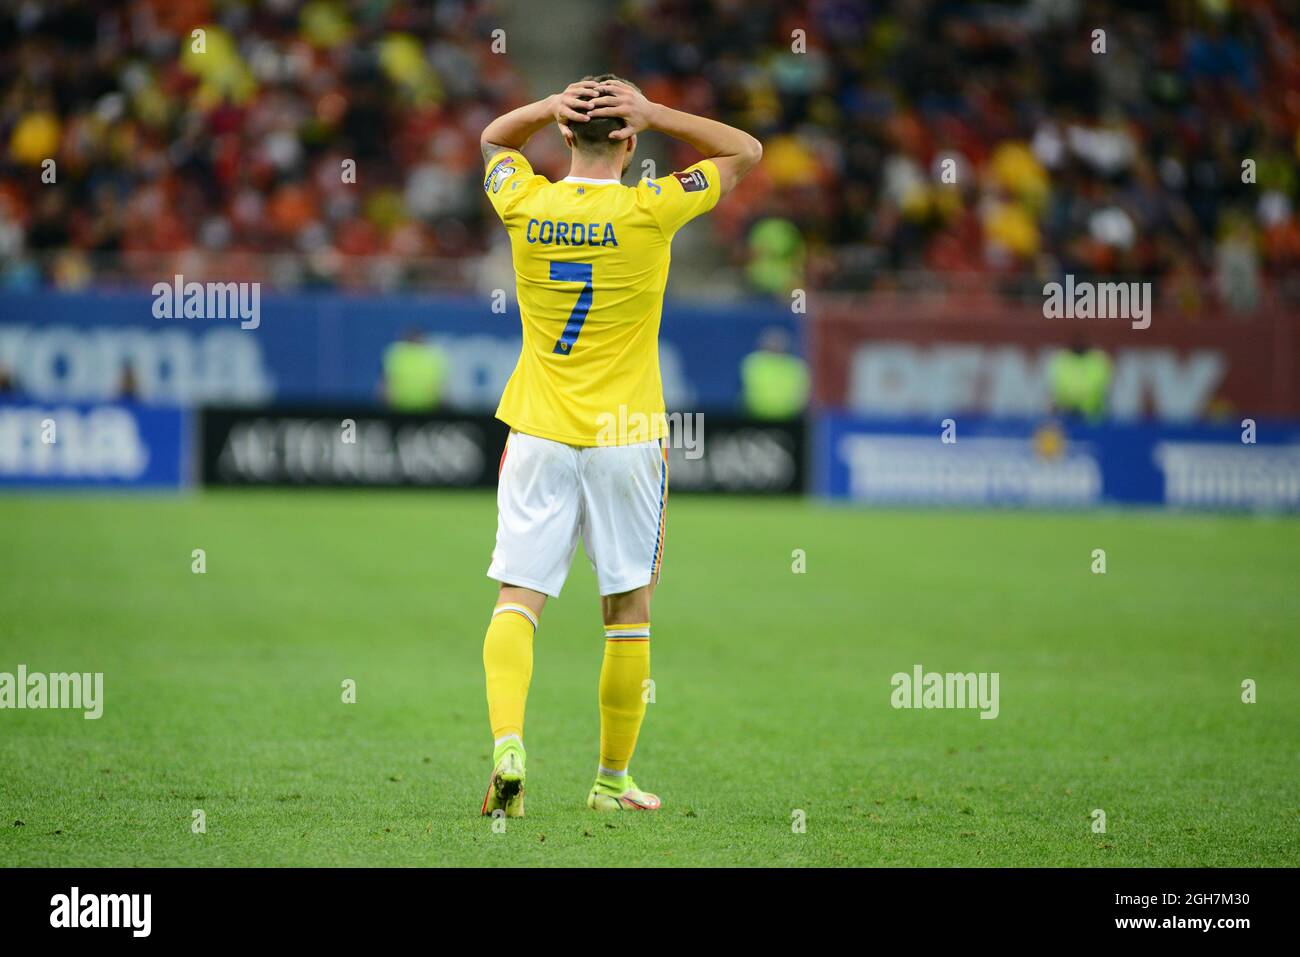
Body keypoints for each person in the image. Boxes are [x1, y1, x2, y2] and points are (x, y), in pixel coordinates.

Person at [477, 74, 761, 816]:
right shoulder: (652, 206)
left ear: (567, 135)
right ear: (630, 140)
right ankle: (610, 780)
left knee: (518, 596)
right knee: (628, 608)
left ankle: (509, 742)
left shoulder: (524, 200)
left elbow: (493, 140)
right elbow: (746, 150)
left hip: (538, 427)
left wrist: (545, 106)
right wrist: (658, 112)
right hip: (626, 436)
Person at [741, 327, 810, 419]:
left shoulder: (797, 365)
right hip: (757, 415)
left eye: (777, 343)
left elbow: (803, 394)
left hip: (789, 417)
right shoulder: (753, 362)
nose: (774, 345)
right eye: (772, 342)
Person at [381, 329, 447, 411]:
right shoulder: (396, 353)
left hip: (427, 408)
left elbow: (441, 387)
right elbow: (386, 383)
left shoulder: (396, 353)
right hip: (401, 408)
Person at [1048, 340, 1112, 423]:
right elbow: (1057, 392)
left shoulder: (1098, 361)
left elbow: (1100, 389)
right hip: (1066, 416)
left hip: (1093, 417)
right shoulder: (1062, 362)